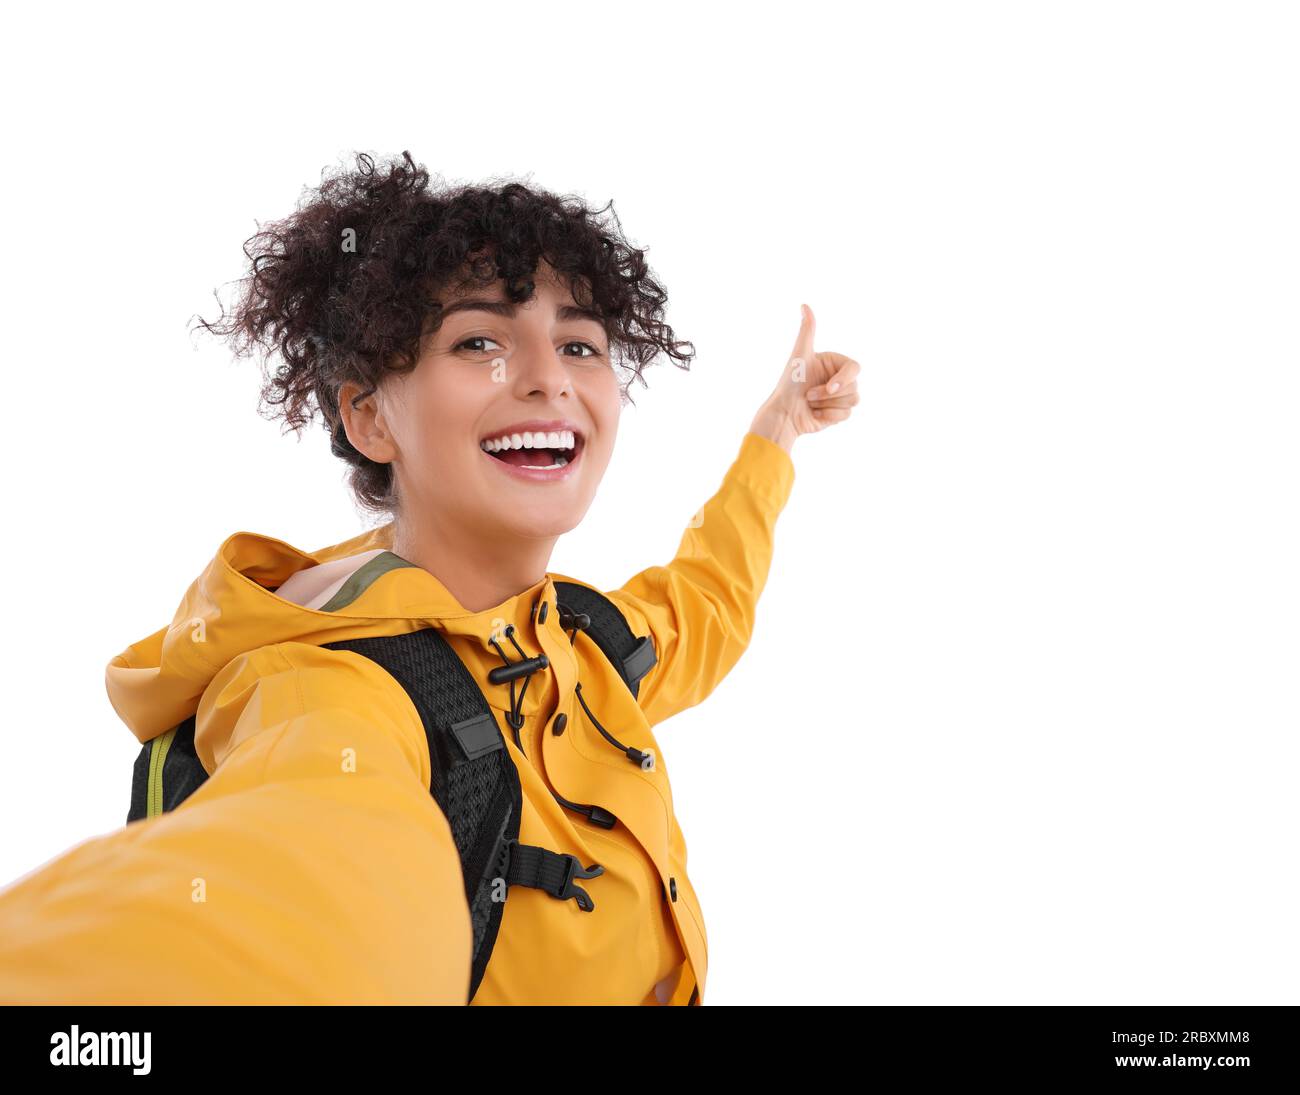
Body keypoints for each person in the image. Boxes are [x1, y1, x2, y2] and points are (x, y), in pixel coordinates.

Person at [0, 152, 860, 1004]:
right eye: (479, 340)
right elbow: (287, 887)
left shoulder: (578, 633)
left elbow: (703, 603)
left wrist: (774, 435)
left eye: (579, 344)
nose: (548, 377)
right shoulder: (326, 688)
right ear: (370, 416)